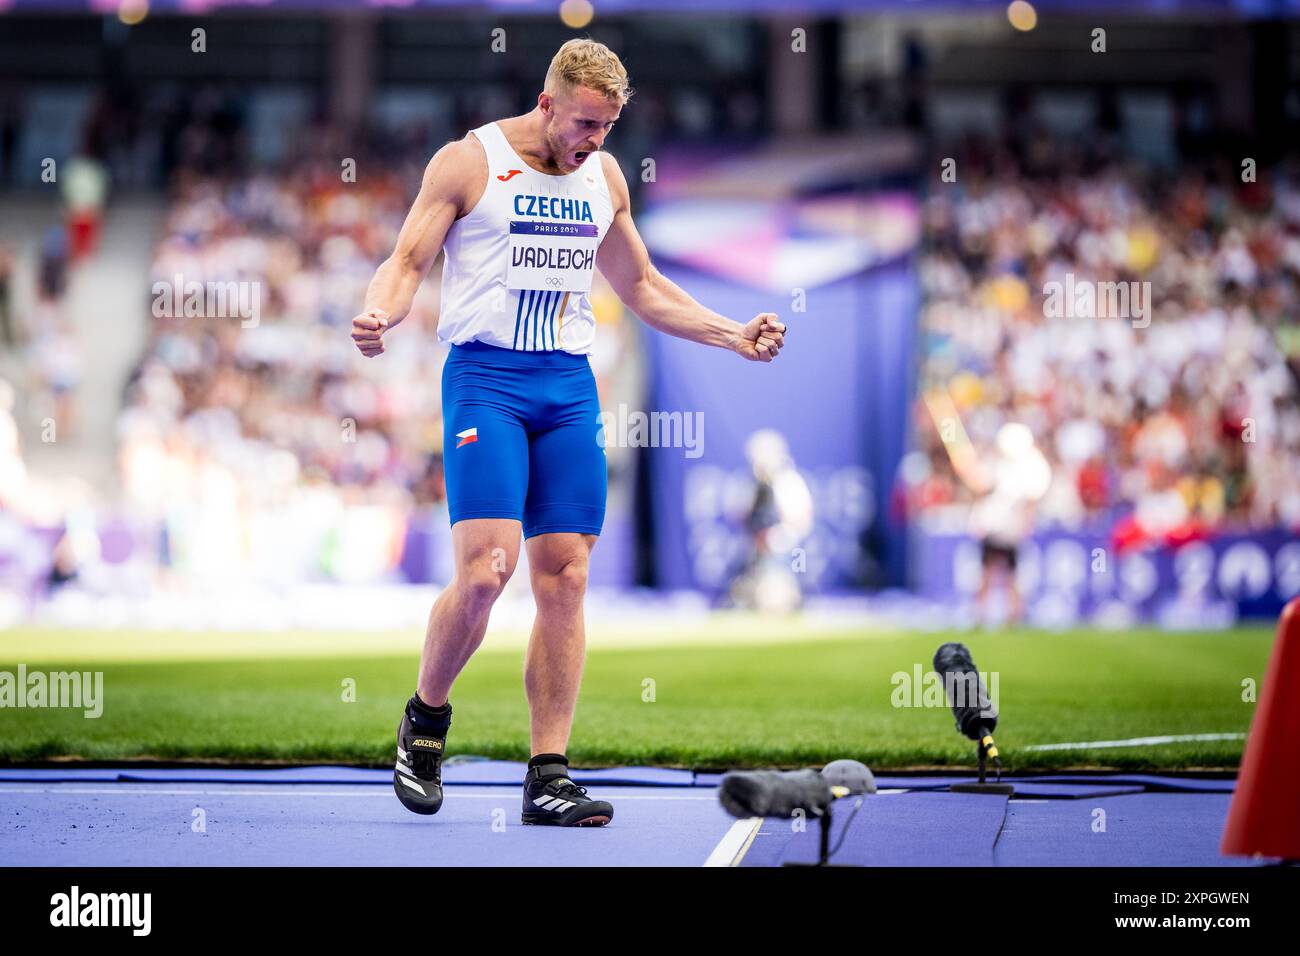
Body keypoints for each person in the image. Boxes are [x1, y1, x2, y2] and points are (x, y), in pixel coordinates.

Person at [351, 39, 786, 826]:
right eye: (585, 122)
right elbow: (407, 259)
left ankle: (548, 774)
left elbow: (643, 286)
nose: (595, 140)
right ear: (547, 102)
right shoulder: (469, 161)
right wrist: (381, 311)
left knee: (567, 576)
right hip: (487, 379)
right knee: (486, 569)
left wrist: (733, 334)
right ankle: (425, 721)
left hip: (567, 386)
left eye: (609, 127)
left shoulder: (604, 178)